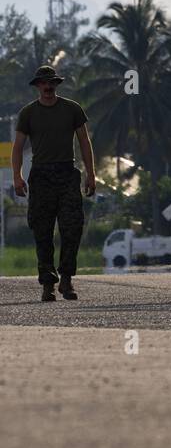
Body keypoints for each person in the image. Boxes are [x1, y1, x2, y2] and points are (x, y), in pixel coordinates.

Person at [11, 65, 96, 302]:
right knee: (42, 231)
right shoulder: (28, 113)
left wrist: (91, 174)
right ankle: (48, 283)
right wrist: (17, 176)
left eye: (51, 83)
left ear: (57, 85)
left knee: (72, 228)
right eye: (43, 83)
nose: (48, 87)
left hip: (67, 174)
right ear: (37, 86)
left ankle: (66, 279)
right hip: (41, 177)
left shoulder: (72, 109)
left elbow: (84, 142)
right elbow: (18, 147)